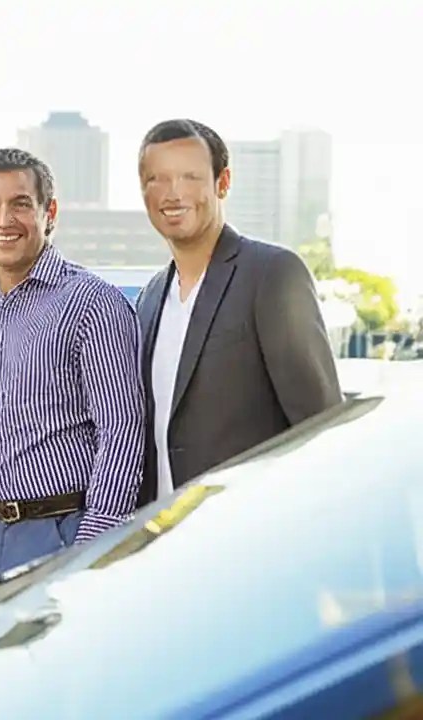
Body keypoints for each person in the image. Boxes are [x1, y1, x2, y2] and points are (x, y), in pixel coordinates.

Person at [0, 148, 145, 588]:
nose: (4, 220)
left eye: (20, 204)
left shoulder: (93, 302)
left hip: (64, 531)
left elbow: (122, 429)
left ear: (48, 211)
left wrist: (91, 549)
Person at [134, 119, 342, 505]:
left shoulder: (272, 274)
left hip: (250, 539)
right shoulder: (149, 299)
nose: (172, 194)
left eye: (189, 177)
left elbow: (321, 428)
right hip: (163, 544)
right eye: (156, 180)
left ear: (222, 182)